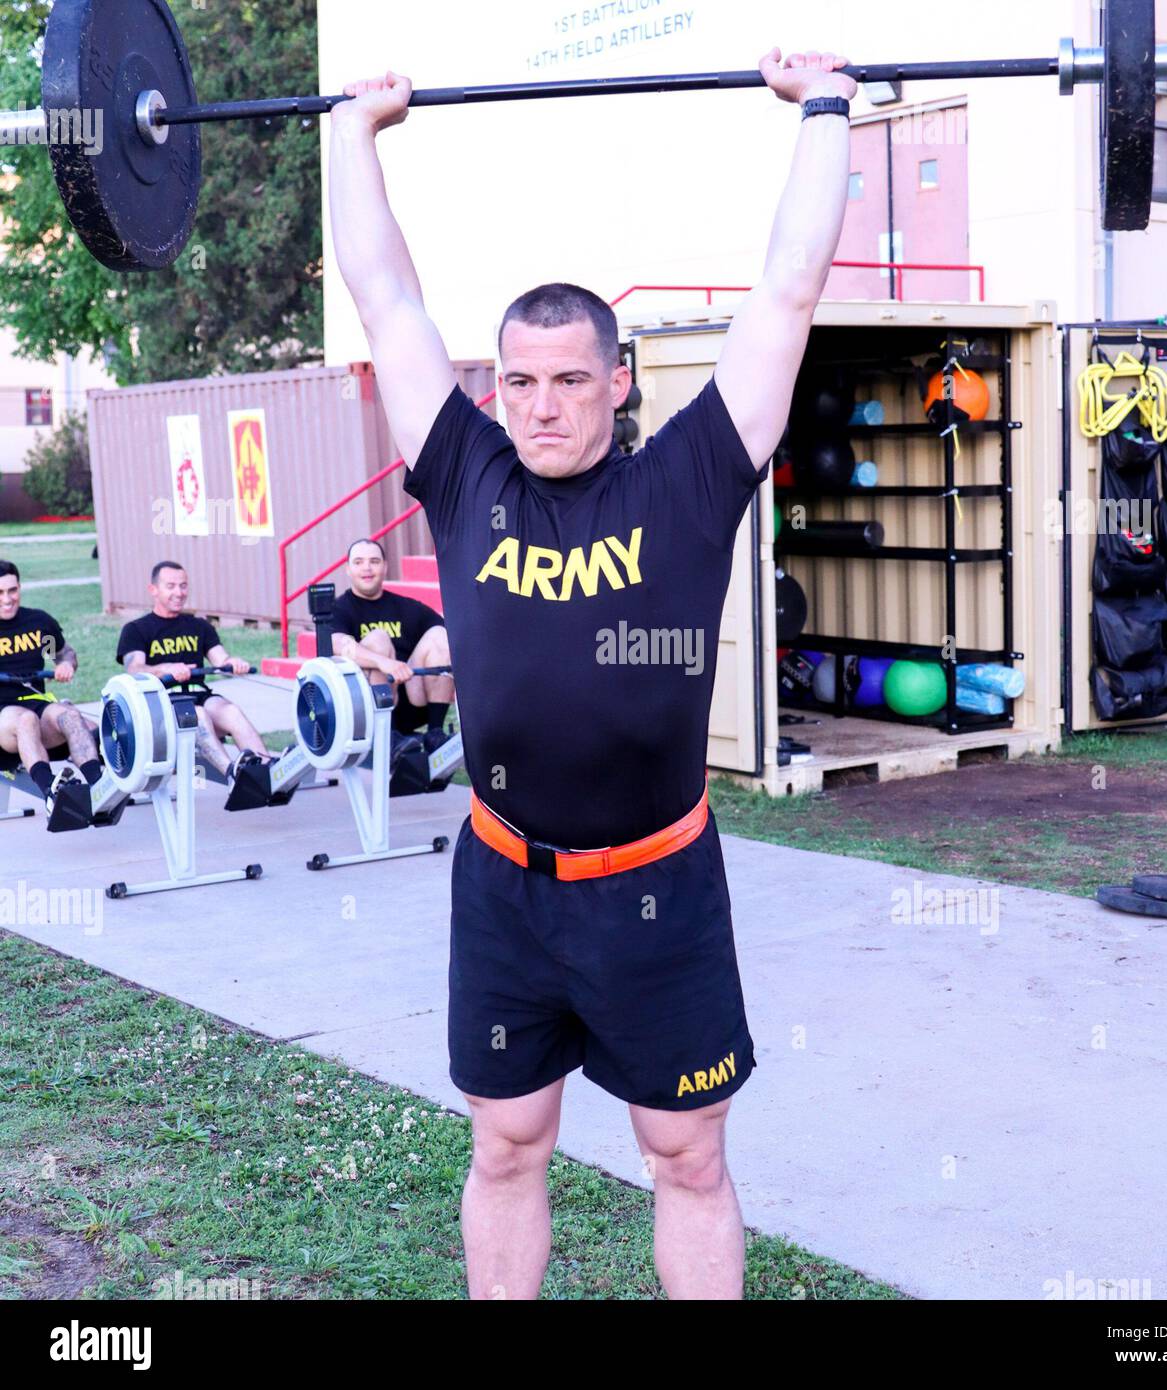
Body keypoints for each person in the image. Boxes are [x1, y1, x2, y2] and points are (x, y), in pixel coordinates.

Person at [330, 47, 857, 1300]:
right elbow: (384, 294)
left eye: (572, 380)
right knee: (506, 1144)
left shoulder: (687, 476)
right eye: (519, 380)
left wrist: (826, 108)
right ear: (494, 384)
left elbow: (786, 292)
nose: (542, 405)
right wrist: (354, 130)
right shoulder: (466, 472)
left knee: (686, 1156)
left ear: (620, 383)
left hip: (656, 885)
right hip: (505, 881)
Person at [115, 561, 273, 779]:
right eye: (170, 586)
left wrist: (234, 663)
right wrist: (166, 669)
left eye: (183, 586)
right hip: (161, 704)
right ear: (153, 590)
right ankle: (232, 774)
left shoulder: (199, 626)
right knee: (196, 715)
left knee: (231, 711)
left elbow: (221, 659)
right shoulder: (135, 629)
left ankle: (267, 772)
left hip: (199, 695)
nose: (179, 593)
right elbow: (135, 670)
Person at [329, 538, 454, 749]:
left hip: (414, 701)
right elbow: (338, 644)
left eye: (374, 561)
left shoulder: (405, 606)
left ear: (385, 567)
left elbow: (450, 637)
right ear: (348, 569)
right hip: (367, 711)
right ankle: (389, 738)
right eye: (358, 562)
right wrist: (383, 662)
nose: (367, 567)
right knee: (378, 638)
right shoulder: (339, 609)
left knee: (440, 634)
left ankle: (435, 734)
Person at [0, 560, 102, 813]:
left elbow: (62, 653)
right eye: (0, 593)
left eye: (12, 590)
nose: (7, 599)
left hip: (36, 704)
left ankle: (100, 788)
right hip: (4, 717)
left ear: (20, 588)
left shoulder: (36, 623)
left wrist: (66, 664)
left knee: (69, 715)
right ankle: (50, 795)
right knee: (26, 720)